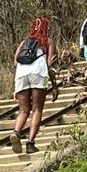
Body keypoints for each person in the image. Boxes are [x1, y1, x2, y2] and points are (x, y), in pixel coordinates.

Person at [12, 14, 53, 154]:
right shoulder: (47, 42)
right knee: (37, 109)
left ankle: (16, 132)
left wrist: (15, 88)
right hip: (38, 73)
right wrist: (54, 85)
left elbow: (15, 62)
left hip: (21, 74)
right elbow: (49, 65)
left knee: (23, 110)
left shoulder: (23, 43)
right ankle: (30, 143)